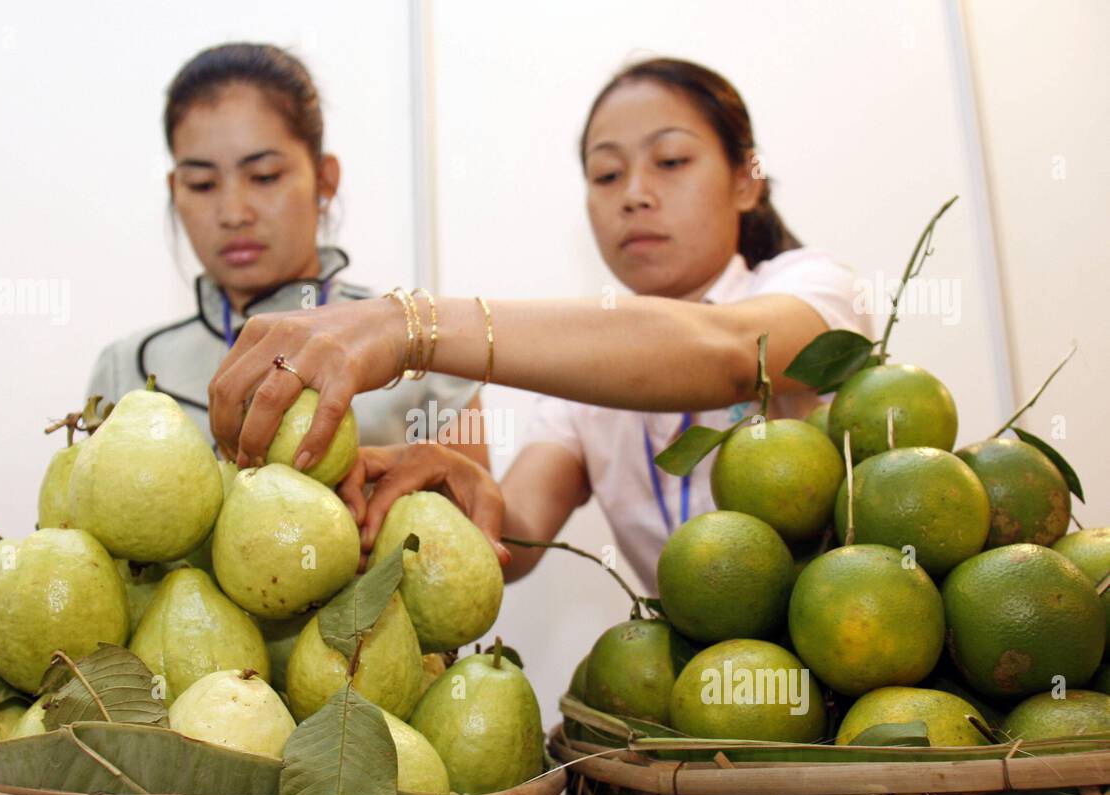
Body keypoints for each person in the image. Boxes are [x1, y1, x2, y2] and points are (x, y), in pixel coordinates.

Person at [207, 58, 871, 592]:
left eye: (670, 162)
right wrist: (453, 489)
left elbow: (730, 355)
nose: (634, 193)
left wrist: (410, 326)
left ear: (747, 181)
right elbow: (516, 534)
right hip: (697, 710)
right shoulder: (587, 378)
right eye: (606, 173)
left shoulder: (818, 291)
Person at [85, 42, 486, 464]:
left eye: (264, 176)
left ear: (325, 180)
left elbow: (478, 526)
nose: (233, 213)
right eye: (202, 183)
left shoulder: (420, 353)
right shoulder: (127, 370)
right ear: (174, 191)